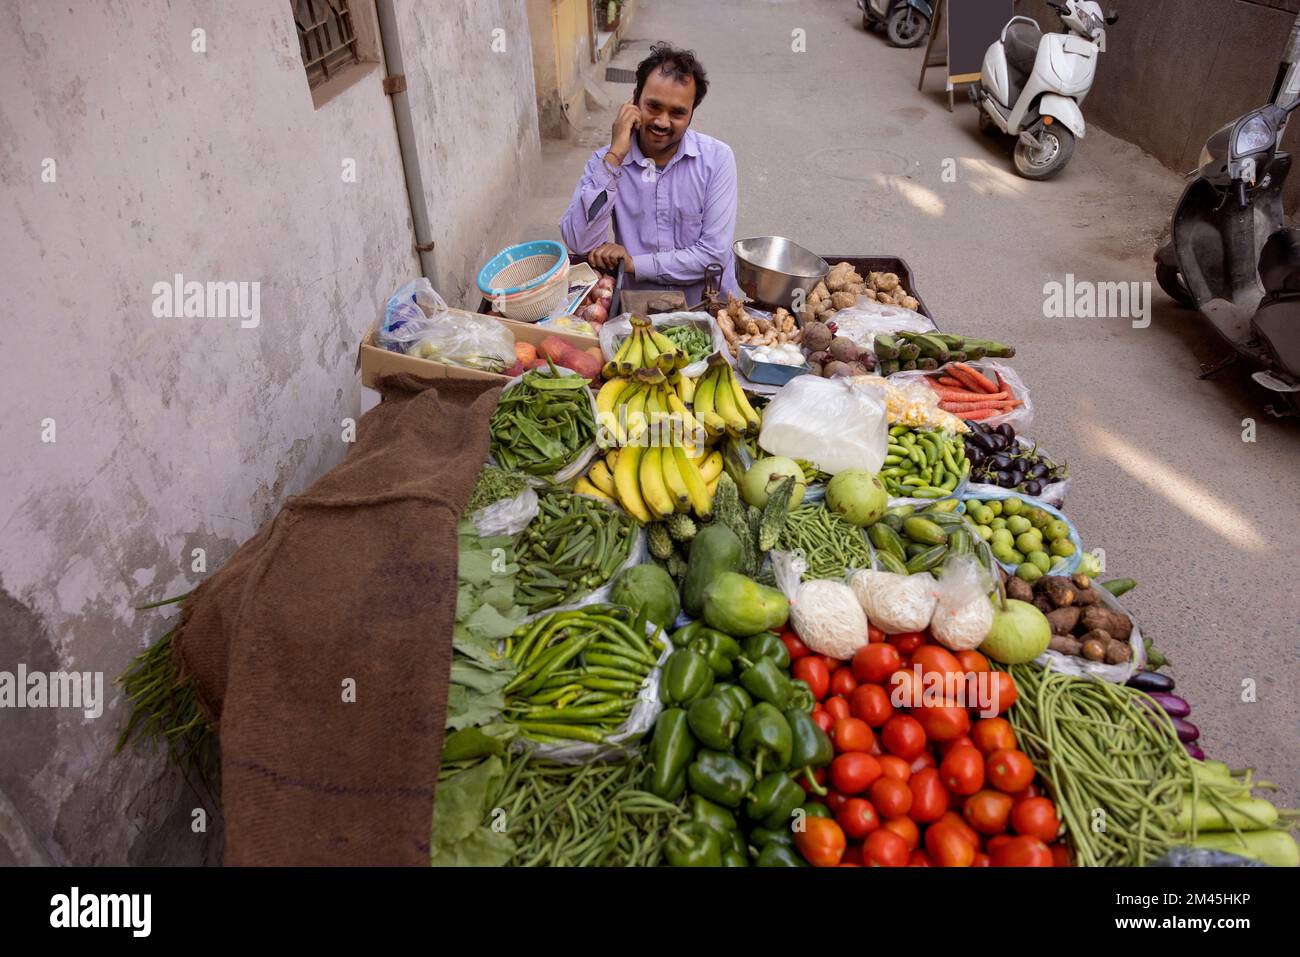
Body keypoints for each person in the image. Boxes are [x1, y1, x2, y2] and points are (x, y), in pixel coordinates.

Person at [559, 43, 740, 307]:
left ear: (691, 114)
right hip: (638, 310)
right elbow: (580, 241)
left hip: (708, 307)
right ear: (634, 101)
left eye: (677, 112)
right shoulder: (604, 162)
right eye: (653, 107)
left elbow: (712, 257)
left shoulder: (717, 159)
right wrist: (615, 157)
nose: (662, 122)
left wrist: (635, 264)